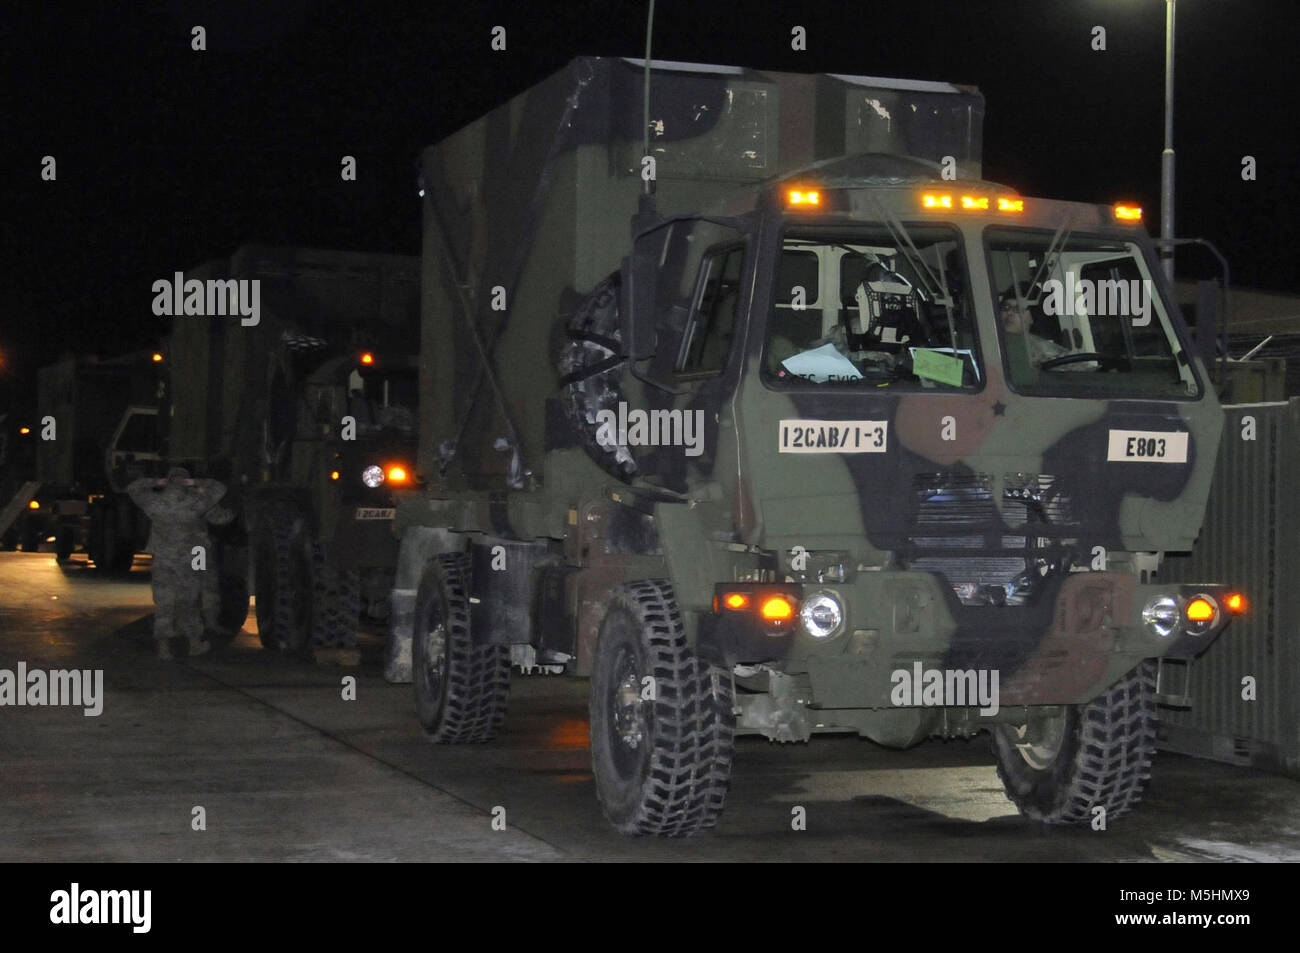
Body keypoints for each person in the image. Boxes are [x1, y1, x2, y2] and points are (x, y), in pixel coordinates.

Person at [127, 467, 230, 659]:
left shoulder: (155, 503)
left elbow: (133, 488)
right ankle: (194, 643)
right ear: (185, 482)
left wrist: (157, 482)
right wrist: (195, 483)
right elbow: (219, 489)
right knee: (189, 601)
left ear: (167, 481)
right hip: (191, 558)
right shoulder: (195, 503)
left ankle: (163, 648)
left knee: (164, 604)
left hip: (163, 560)